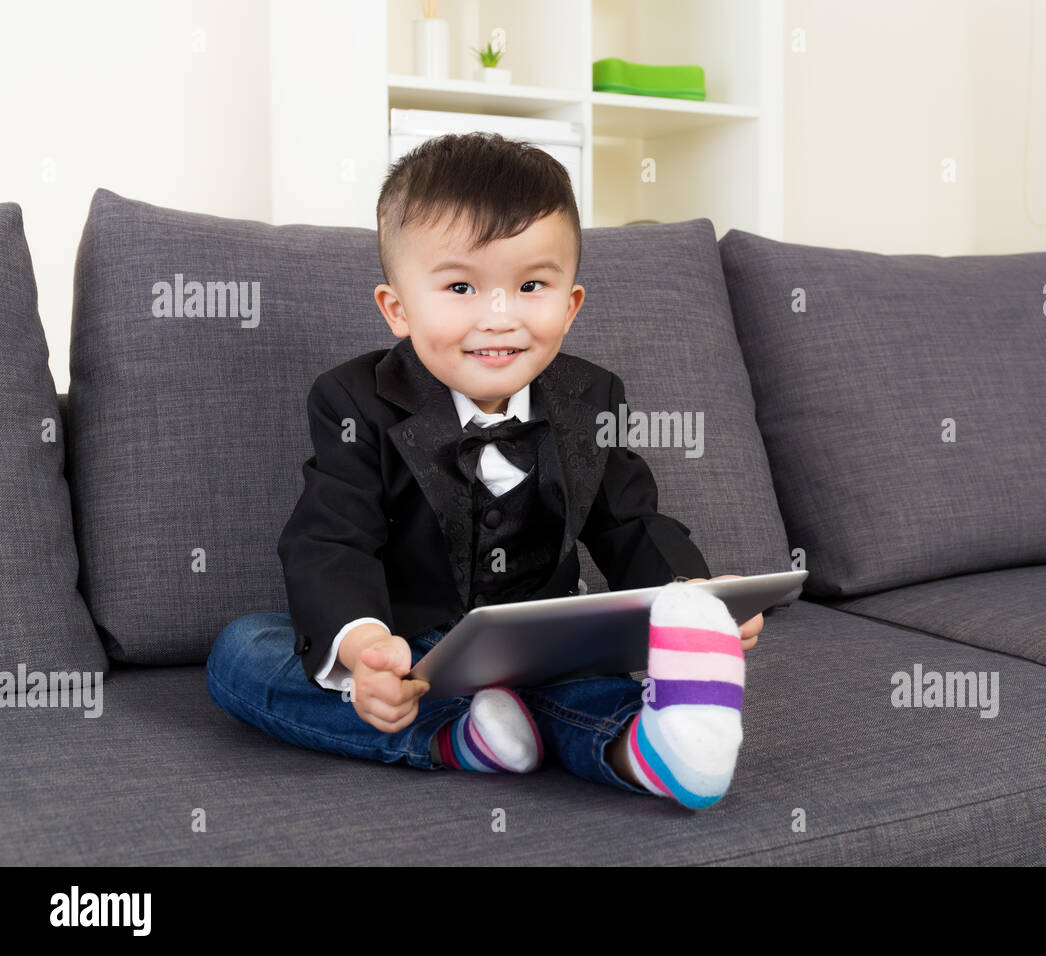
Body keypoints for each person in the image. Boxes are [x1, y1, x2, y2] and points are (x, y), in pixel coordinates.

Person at [206, 131, 762, 810]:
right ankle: (456, 737)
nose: (498, 318)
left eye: (531, 285)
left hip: (545, 643)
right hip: (416, 654)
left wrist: (692, 595)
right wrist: (365, 648)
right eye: (462, 286)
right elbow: (330, 539)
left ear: (570, 304)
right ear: (399, 310)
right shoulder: (352, 399)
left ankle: (657, 749)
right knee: (240, 653)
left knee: (587, 689)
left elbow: (632, 521)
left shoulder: (592, 399)